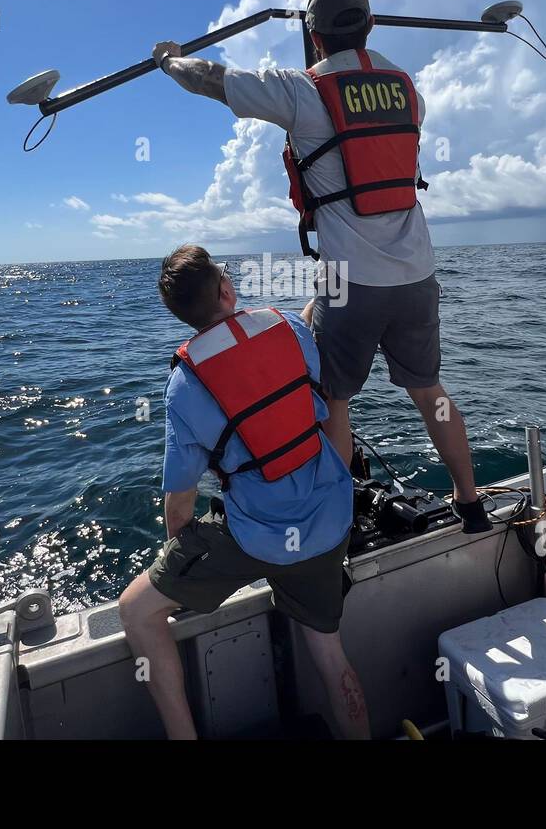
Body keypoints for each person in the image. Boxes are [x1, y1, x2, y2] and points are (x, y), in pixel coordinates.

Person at [150, 0, 490, 534]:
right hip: (417, 276)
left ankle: (336, 520)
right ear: (372, 24)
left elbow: (214, 80)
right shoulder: (410, 92)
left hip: (351, 285)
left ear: (313, 35)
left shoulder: (300, 91)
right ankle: (469, 500)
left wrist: (171, 61)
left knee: (332, 396)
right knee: (429, 391)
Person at [118, 244, 370, 739]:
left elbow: (180, 504)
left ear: (179, 314)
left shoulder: (184, 385)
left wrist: (186, 562)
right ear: (228, 290)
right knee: (330, 654)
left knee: (136, 611)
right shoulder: (289, 327)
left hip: (252, 537)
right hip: (328, 522)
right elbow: (304, 365)